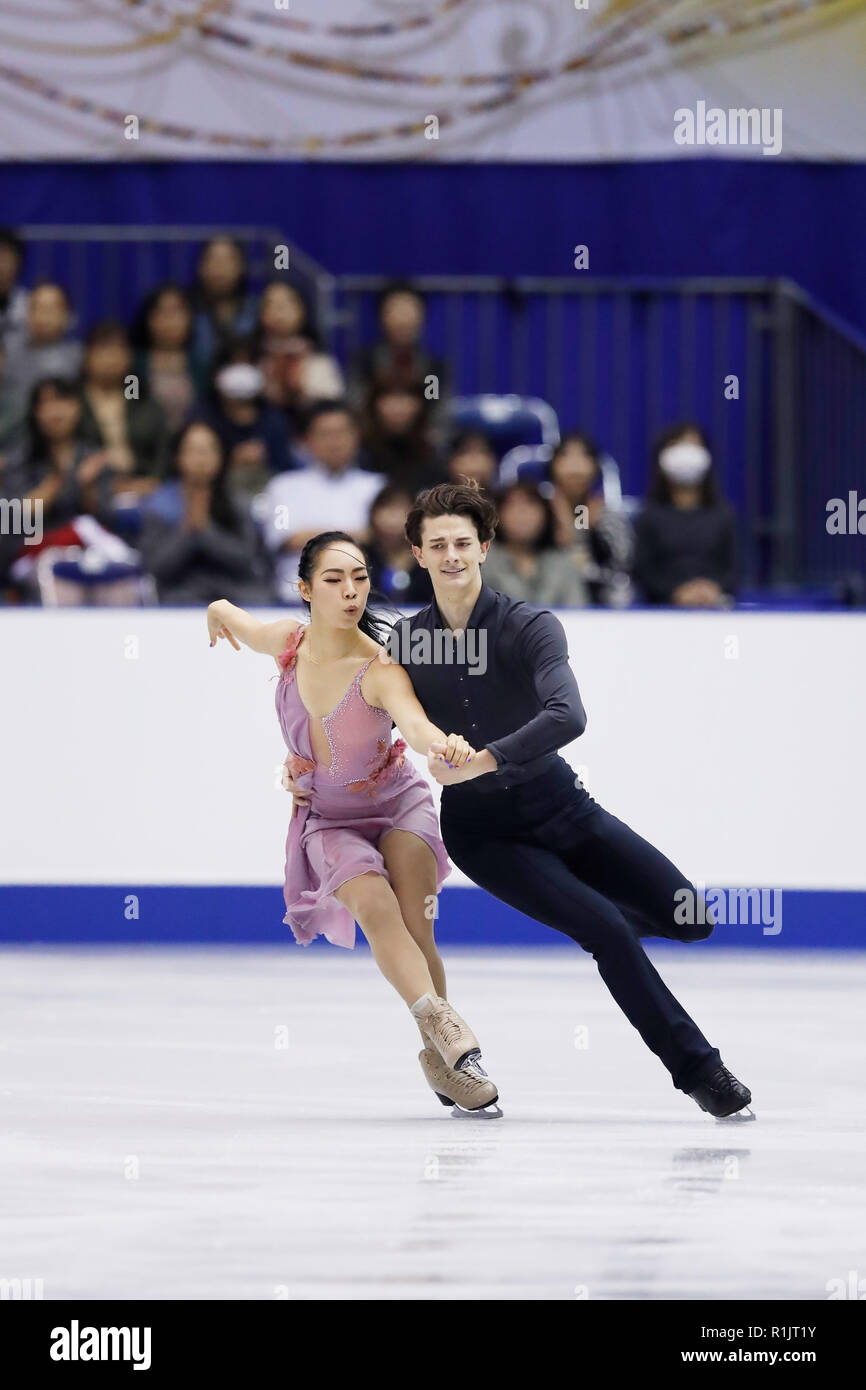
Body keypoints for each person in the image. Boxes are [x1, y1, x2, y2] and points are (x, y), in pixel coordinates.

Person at [285, 482, 754, 1120]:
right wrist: (305, 766)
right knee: (609, 934)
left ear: (483, 547)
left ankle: (589, 909)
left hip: (565, 810)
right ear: (419, 556)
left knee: (692, 918)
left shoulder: (530, 625)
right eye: (436, 545)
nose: (450, 554)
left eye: (462, 542)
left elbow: (570, 714)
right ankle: (704, 1074)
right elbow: (358, 718)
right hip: (486, 837)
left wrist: (487, 757)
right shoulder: (405, 646)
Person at [205, 531, 501, 1115]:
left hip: (397, 803)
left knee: (418, 926)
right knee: (374, 906)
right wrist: (216, 612)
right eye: (335, 579)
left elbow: (416, 729)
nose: (350, 592)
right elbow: (231, 614)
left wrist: (444, 747)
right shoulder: (288, 643)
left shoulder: (381, 668)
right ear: (305, 589)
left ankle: (444, 1060)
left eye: (360, 578)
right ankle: (440, 1026)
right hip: (329, 819)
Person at [261, 401, 384, 602]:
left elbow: (382, 538)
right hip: (293, 599)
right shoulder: (282, 487)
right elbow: (283, 538)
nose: (334, 442)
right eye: (325, 434)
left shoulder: (376, 487)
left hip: (362, 600)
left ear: (356, 437)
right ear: (307, 440)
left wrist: (310, 536)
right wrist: (355, 537)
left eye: (341, 433)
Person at [138, 421, 271, 606]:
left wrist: (206, 531)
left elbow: (246, 560)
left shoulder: (237, 503)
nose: (201, 458)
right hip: (180, 597)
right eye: (193, 450)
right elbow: (156, 567)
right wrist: (188, 531)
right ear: (178, 456)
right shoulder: (159, 505)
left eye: (209, 449)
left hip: (235, 596)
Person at [633, 424, 737, 608]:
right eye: (678, 446)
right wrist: (674, 592)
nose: (686, 454)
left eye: (693, 446)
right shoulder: (649, 516)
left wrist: (714, 589)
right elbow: (643, 570)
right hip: (662, 611)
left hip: (715, 608)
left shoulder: (724, 515)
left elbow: (734, 568)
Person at [79, 320, 170, 494]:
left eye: (118, 350)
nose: (111, 358)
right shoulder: (74, 399)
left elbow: (163, 448)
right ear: (87, 356)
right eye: (103, 349)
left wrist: (153, 480)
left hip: (144, 487)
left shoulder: (136, 394)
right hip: (92, 489)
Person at [548, 432, 634, 607]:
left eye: (583, 456)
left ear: (595, 467)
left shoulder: (605, 514)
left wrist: (595, 531)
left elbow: (624, 562)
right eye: (566, 455)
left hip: (600, 598)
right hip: (548, 595)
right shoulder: (540, 510)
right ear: (553, 466)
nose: (575, 465)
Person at [255, 278, 343, 430]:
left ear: (302, 310)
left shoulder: (318, 356)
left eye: (285, 305)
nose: (278, 313)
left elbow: (331, 403)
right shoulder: (251, 354)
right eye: (271, 305)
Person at [482, 480, 589, 606]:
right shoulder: (482, 561)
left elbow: (579, 613)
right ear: (497, 515)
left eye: (530, 505)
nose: (521, 514)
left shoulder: (562, 562)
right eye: (511, 506)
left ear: (545, 514)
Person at [131, 282, 207, 434]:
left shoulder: (202, 365)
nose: (170, 320)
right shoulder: (134, 365)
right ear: (149, 319)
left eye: (177, 312)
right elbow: (129, 405)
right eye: (162, 312)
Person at [360, 375, 441, 494]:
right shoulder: (360, 452)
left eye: (405, 398)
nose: (397, 408)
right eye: (390, 398)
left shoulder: (431, 453)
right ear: (374, 404)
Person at [3, 283, 82, 399]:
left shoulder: (80, 357)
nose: (43, 315)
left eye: (51, 309)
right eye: (36, 307)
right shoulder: (8, 353)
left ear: (67, 315)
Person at [364, 483, 432, 605]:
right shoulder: (362, 555)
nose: (393, 518)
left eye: (401, 509)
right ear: (373, 513)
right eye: (387, 508)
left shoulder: (428, 557)